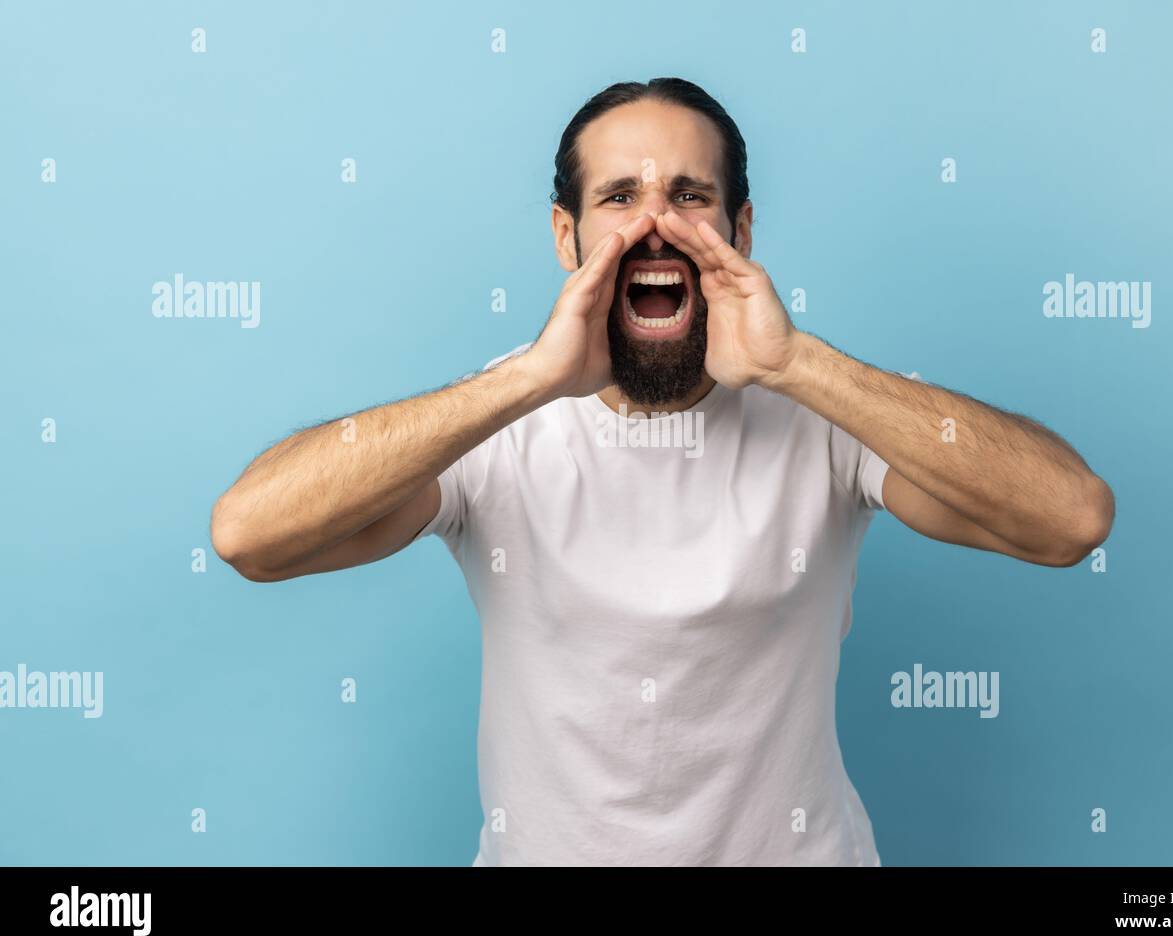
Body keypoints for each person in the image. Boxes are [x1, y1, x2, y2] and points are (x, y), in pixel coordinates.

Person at [210, 78, 1114, 866]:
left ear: (741, 229)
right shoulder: (498, 429)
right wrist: (528, 378)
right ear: (566, 236)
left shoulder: (827, 415)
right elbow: (250, 535)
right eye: (618, 198)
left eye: (688, 194)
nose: (653, 224)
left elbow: (1070, 520)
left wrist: (798, 366)